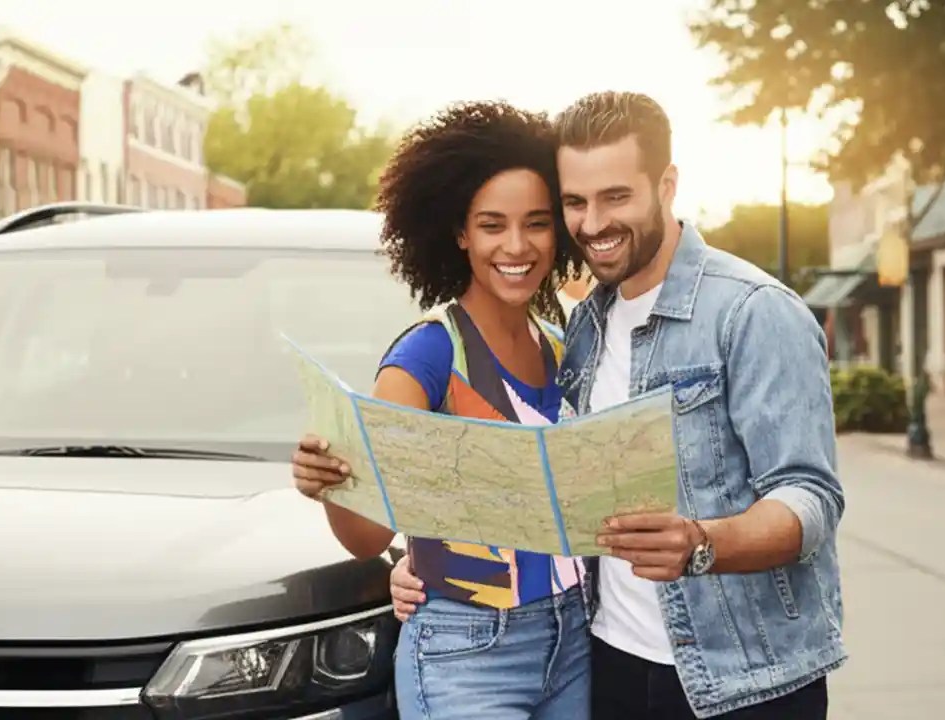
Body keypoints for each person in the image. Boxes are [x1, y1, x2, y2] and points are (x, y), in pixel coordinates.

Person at [333, 91, 848, 719]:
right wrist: (426, 566)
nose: (594, 223)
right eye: (575, 203)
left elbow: (810, 498)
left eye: (615, 197)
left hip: (743, 679)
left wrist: (701, 542)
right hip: (607, 665)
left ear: (666, 186)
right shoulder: (583, 330)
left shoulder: (753, 311)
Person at [289, 100, 591, 719]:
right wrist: (332, 486)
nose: (516, 246)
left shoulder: (564, 347)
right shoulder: (428, 356)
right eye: (491, 224)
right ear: (458, 233)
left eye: (536, 223)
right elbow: (371, 533)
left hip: (574, 643)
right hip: (468, 655)